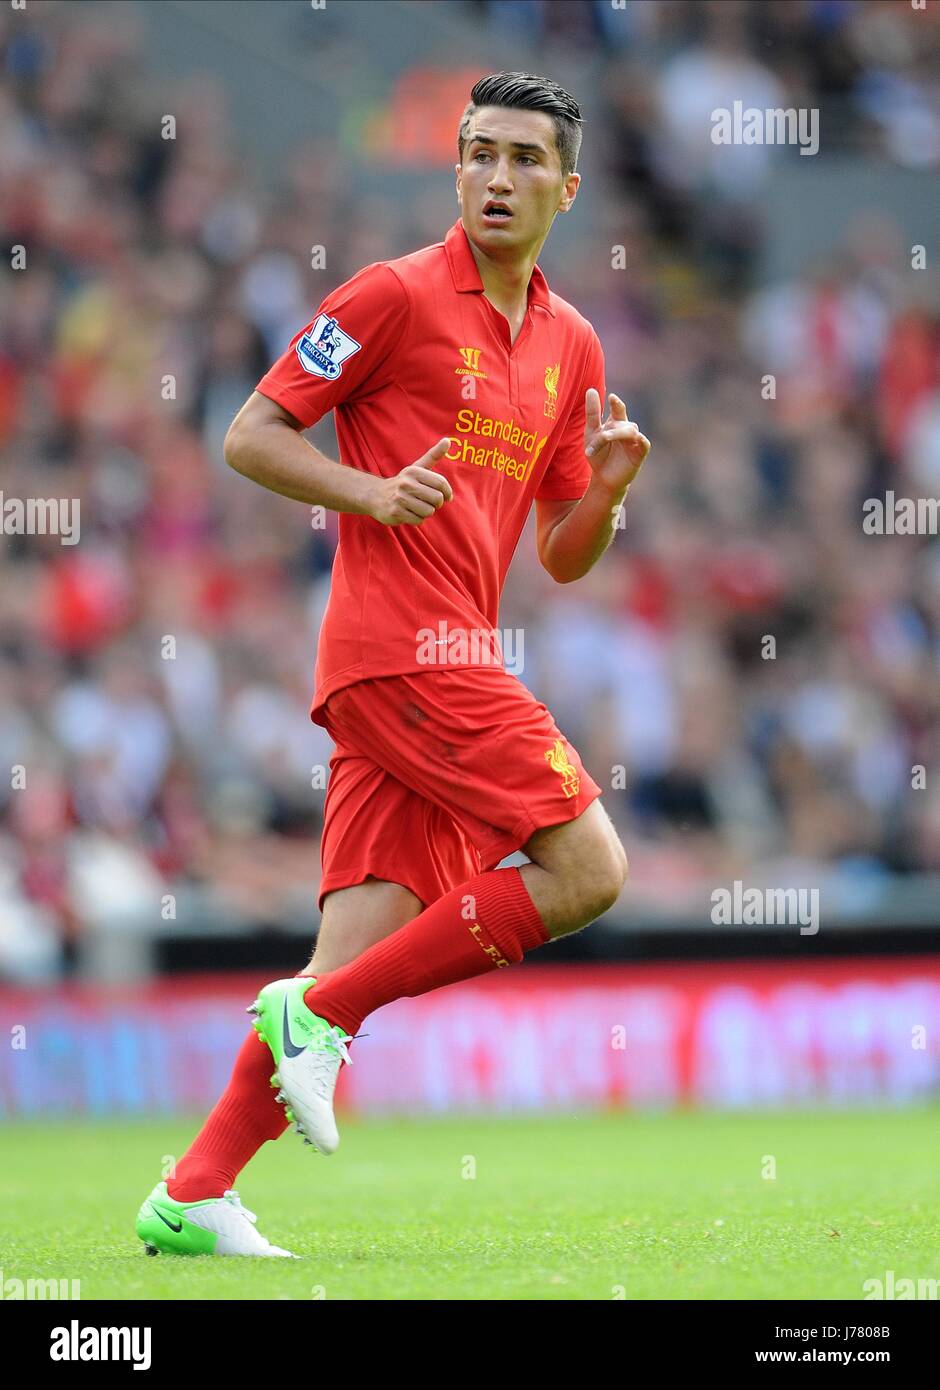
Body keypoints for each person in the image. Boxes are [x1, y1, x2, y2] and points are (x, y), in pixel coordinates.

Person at [136, 70, 650, 1258]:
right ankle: (323, 1019)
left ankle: (195, 1189)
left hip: (443, 658)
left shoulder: (572, 344)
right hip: (404, 651)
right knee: (587, 869)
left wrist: (611, 497)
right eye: (478, 153)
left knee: (351, 947)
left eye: (524, 159)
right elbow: (249, 432)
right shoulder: (391, 295)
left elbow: (564, 556)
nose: (496, 177)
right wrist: (369, 489)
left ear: (566, 190)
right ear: (455, 168)